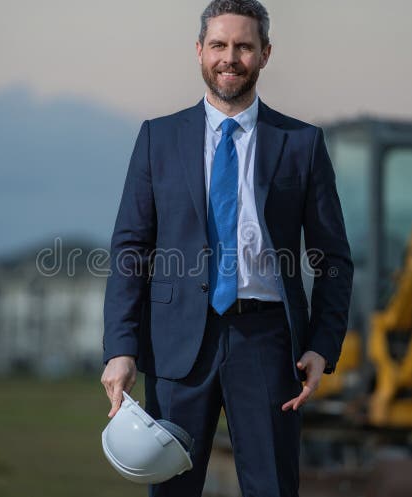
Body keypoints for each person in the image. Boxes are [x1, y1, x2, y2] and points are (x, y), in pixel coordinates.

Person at [101, 1, 352, 495]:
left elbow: (334, 259)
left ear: (265, 54)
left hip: (267, 343)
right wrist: (121, 348)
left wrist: (323, 345)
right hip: (175, 347)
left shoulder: (300, 144)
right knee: (171, 488)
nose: (230, 57)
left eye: (243, 46)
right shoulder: (158, 138)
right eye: (219, 44)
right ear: (199, 51)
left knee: (272, 488)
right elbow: (131, 250)